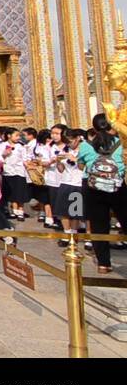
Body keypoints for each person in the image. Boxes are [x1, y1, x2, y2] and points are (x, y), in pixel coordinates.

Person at [77, 114, 127, 274]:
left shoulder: (86, 146)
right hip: (117, 187)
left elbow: (81, 165)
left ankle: (103, 264)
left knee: (99, 225)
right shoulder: (122, 143)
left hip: (93, 188)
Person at [54, 129, 86, 247]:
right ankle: (67, 233)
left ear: (78, 138)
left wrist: (75, 159)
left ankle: (74, 233)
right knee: (63, 211)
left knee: (75, 211)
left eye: (70, 141)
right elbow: (61, 170)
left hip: (78, 183)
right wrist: (58, 162)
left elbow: (85, 167)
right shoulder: (65, 150)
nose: (69, 144)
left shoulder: (84, 150)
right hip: (65, 182)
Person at [39, 125, 69, 230]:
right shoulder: (47, 147)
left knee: (72, 204)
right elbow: (42, 162)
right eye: (52, 133)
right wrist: (53, 160)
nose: (54, 136)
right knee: (56, 202)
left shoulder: (70, 146)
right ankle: (61, 223)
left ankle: (76, 224)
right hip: (53, 179)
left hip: (71, 180)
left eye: (57, 133)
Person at [0, 127, 29, 222]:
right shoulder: (2, 145)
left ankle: (21, 210)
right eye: (16, 135)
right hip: (8, 171)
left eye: (18, 136)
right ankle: (14, 209)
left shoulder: (21, 146)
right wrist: (5, 154)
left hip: (19, 171)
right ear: (9, 136)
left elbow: (24, 158)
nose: (18, 137)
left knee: (20, 192)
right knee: (11, 192)